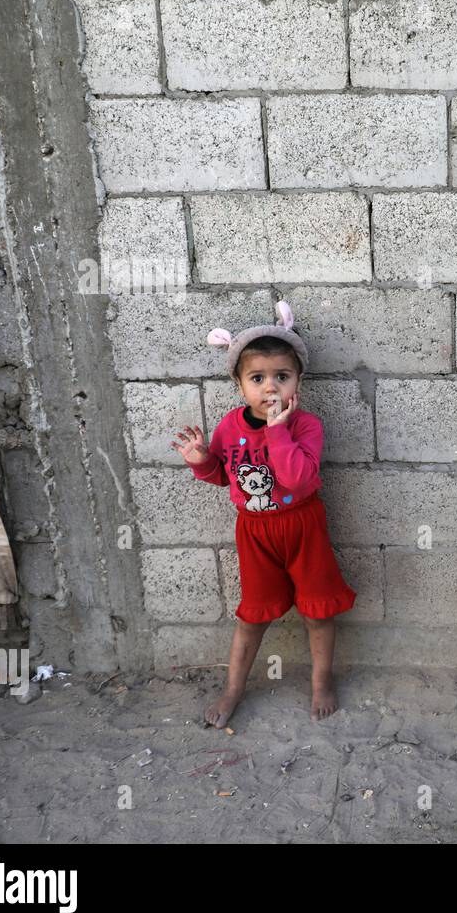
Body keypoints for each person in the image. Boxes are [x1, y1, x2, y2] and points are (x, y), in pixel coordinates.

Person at [171, 300, 356, 726]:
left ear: (299, 382)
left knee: (317, 612)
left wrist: (277, 431)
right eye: (258, 378)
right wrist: (201, 459)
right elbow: (226, 476)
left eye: (282, 377)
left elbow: (299, 481)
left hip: (303, 527)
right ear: (240, 385)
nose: (270, 388)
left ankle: (321, 680)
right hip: (254, 533)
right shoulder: (229, 428)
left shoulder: (306, 426)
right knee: (253, 616)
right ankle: (233, 689)